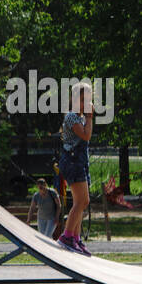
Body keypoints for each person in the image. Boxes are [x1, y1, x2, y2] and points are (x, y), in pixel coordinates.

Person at [57, 82, 94, 255]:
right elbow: (86, 135)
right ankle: (67, 236)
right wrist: (90, 118)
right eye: (82, 99)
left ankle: (76, 237)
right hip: (72, 161)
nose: (86, 103)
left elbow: (87, 136)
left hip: (80, 162)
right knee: (80, 201)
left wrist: (87, 118)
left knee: (84, 202)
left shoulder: (79, 117)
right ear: (73, 100)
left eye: (88, 99)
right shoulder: (72, 116)